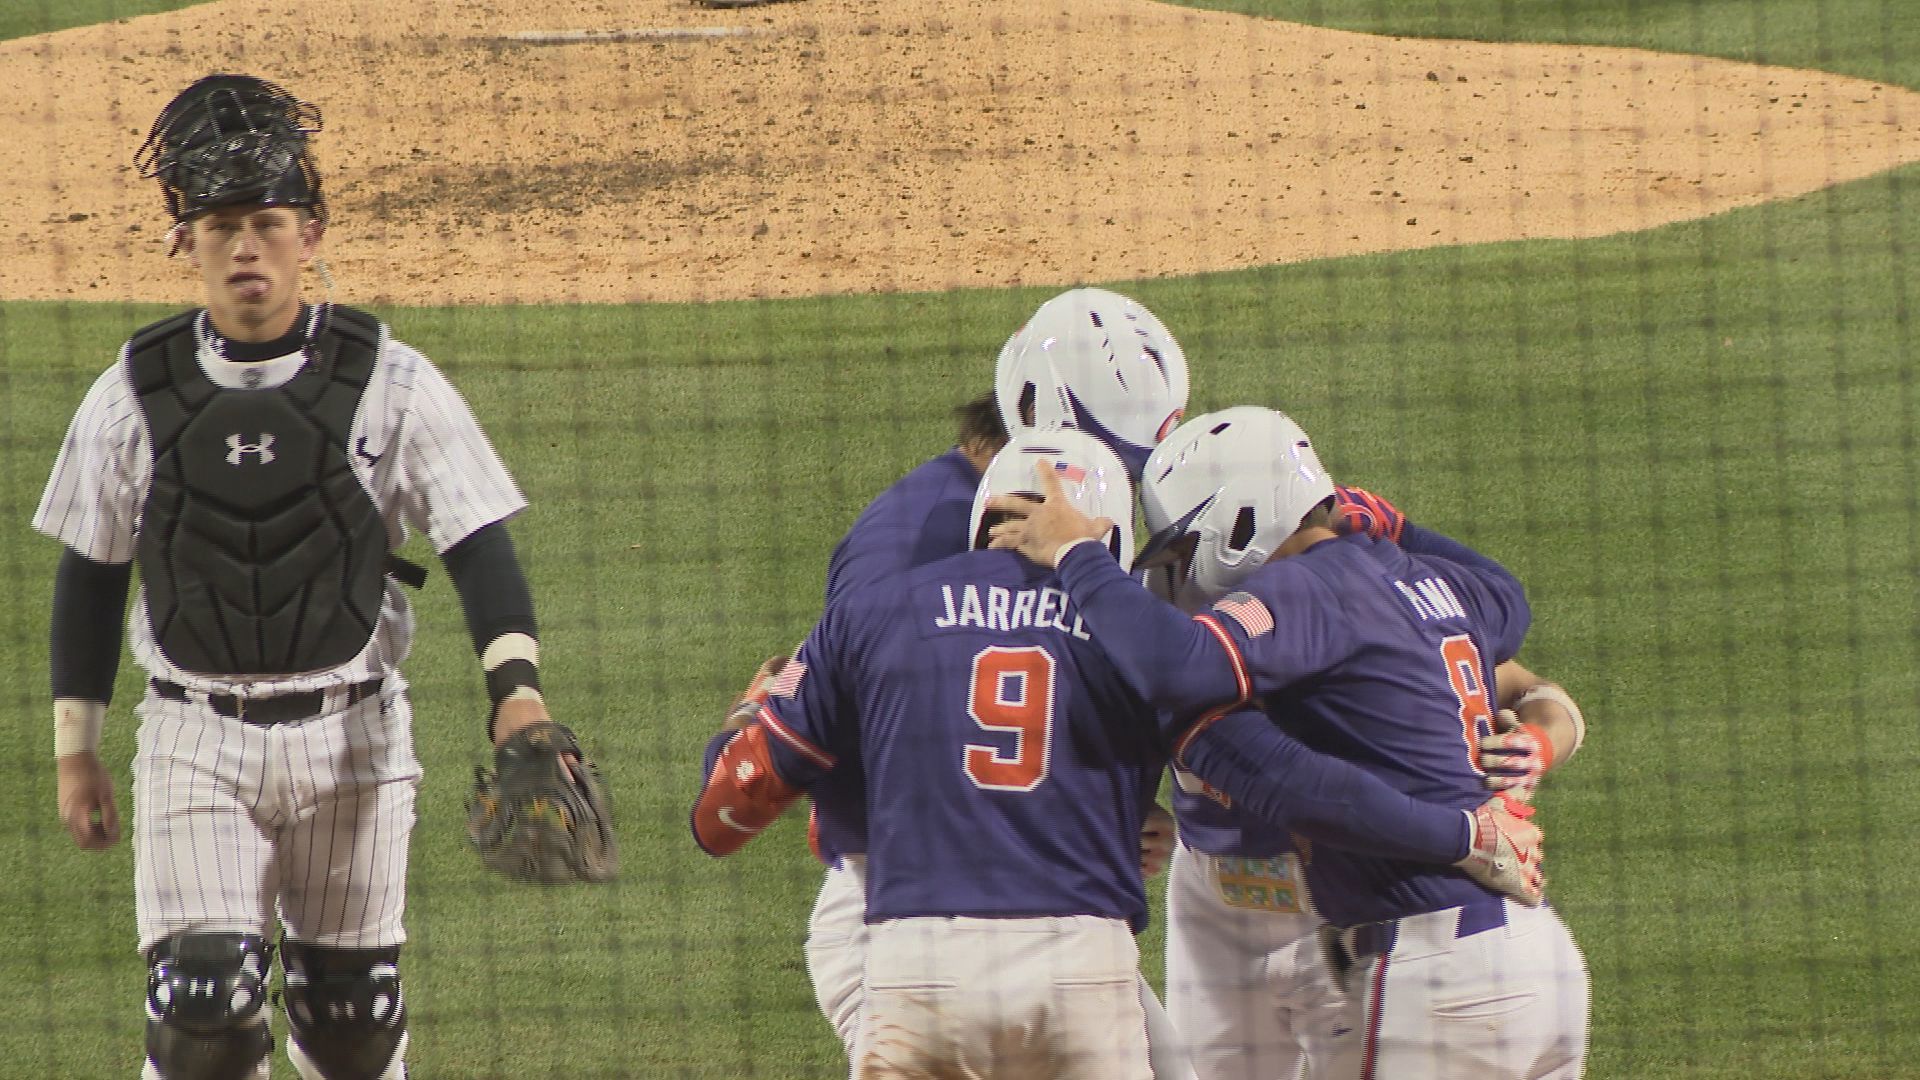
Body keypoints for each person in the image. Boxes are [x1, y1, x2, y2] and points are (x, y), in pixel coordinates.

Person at [38, 74, 599, 1080]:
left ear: (312, 232)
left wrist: (518, 694)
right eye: (221, 225)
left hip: (358, 743)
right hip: (194, 738)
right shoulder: (132, 392)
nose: (246, 247)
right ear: (185, 240)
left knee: (352, 1021)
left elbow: (478, 544)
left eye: (267, 222)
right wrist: (75, 750)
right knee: (202, 1007)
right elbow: (90, 573)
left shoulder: (392, 379)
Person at [692, 431, 1544, 1079]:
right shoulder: (1130, 639)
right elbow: (1285, 778)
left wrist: (750, 714)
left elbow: (727, 815)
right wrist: (1457, 831)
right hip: (1079, 979)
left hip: (915, 972)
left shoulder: (875, 612)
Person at [988, 405, 1590, 1079]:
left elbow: (1191, 677)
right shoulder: (1424, 580)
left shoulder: (1307, 590)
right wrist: (1395, 522)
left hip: (1439, 976)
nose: (1182, 570)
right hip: (1541, 962)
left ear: (1237, 519)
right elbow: (1510, 600)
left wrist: (1078, 556)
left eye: (1186, 547)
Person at [800, 286, 1197, 1075]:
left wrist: (1119, 808)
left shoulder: (1029, 522)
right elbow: (848, 744)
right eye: (1120, 457)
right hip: (897, 920)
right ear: (1038, 417)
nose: (1128, 485)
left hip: (1010, 919)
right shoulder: (912, 541)